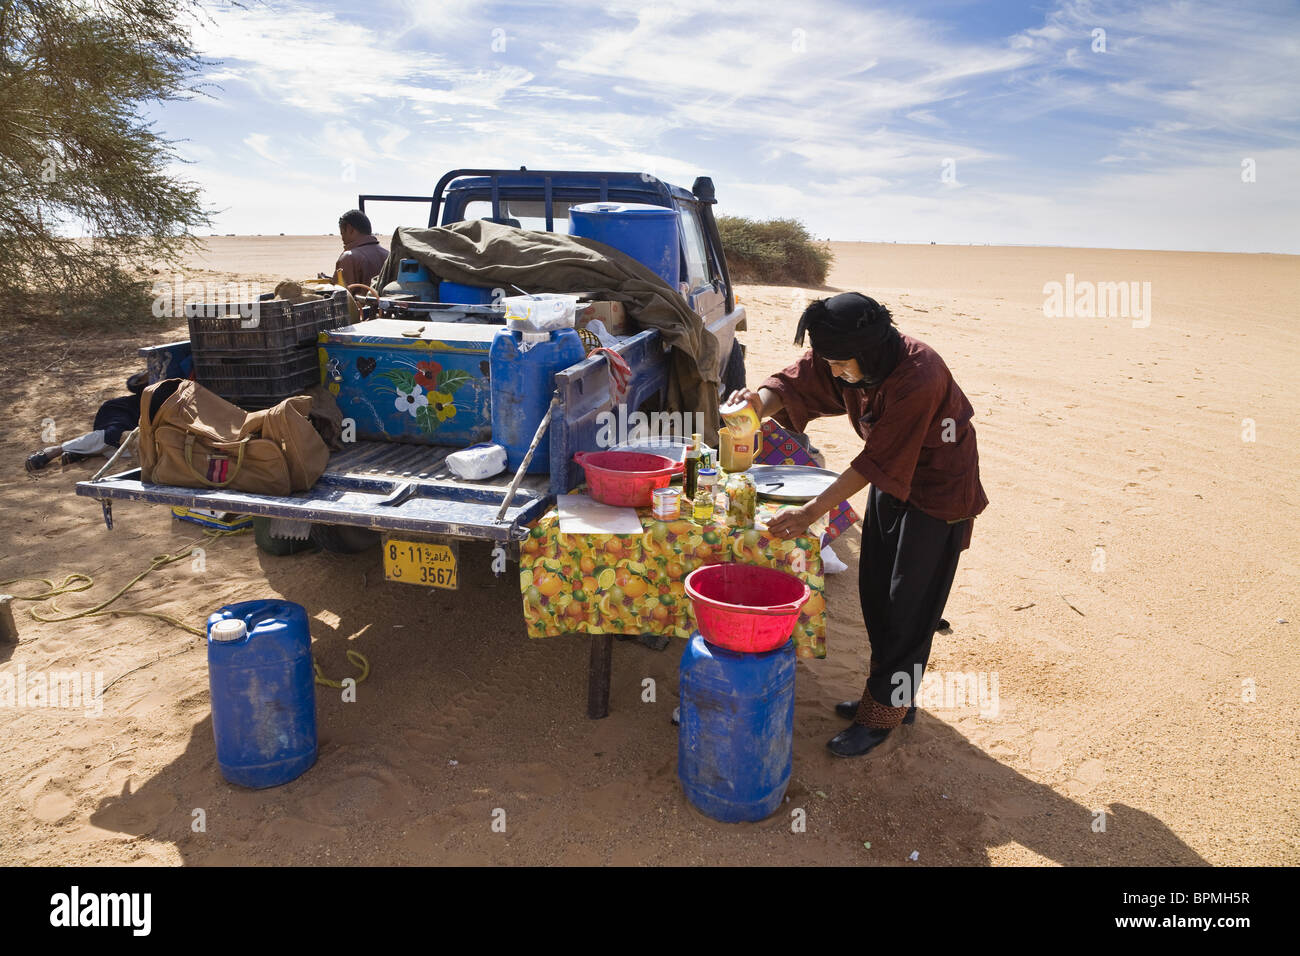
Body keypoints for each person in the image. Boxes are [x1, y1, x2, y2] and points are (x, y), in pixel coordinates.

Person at [727, 292, 987, 758]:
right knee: (876, 591)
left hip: (939, 491)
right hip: (894, 482)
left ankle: (883, 713)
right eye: (831, 363)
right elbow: (794, 383)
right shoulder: (847, 358)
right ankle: (891, 694)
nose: (836, 374)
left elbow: (874, 462)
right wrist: (753, 407)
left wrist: (810, 513)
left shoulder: (919, 375)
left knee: (910, 603)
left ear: (869, 352)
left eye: (843, 365)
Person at [26, 372, 150, 473]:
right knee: (114, 434)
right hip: (126, 411)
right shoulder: (165, 367)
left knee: (137, 448)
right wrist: (147, 375)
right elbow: (132, 384)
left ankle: (84, 452)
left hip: (148, 423)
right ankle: (57, 450)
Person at [331, 209, 389, 288]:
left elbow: (341, 294)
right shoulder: (388, 255)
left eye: (342, 233)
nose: (342, 239)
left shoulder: (349, 257)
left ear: (349, 229)